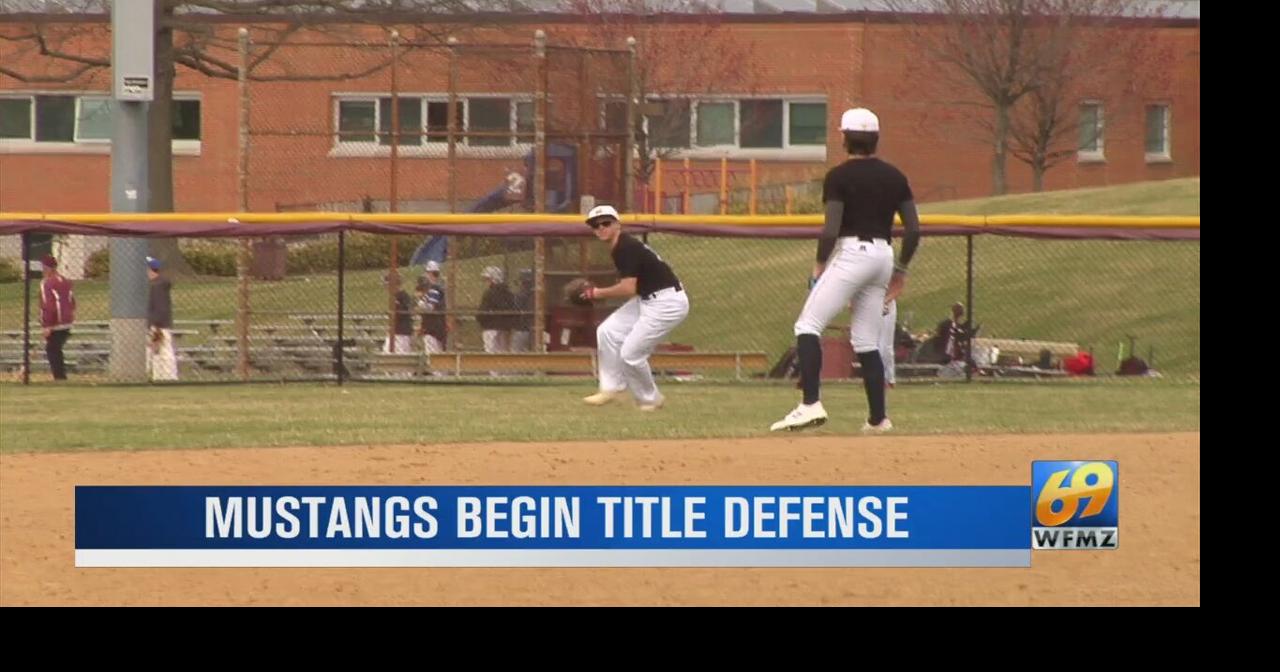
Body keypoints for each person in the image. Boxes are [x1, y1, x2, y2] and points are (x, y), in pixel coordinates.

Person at [771, 107, 921, 434]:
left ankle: (810, 404)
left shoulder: (839, 176)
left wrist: (820, 264)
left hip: (853, 253)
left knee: (807, 325)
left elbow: (831, 229)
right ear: (875, 139)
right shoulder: (895, 176)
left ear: (845, 139)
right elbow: (912, 230)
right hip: (882, 255)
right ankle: (878, 419)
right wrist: (901, 269)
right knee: (866, 341)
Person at [577, 204, 689, 411]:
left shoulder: (625, 247)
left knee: (631, 354)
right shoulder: (621, 247)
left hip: (667, 303)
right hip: (649, 299)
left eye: (606, 223)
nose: (601, 228)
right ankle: (610, 389)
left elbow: (628, 288)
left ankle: (650, 399)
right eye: (595, 225)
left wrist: (597, 293)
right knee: (608, 331)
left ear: (617, 224)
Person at [38, 254, 75, 381]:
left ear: (46, 268)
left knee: (52, 350)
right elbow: (72, 302)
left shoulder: (47, 283)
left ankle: (59, 377)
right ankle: (60, 376)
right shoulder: (66, 281)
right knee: (55, 349)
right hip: (67, 321)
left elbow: (48, 305)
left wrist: (47, 325)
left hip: (55, 322)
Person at [146, 256, 179, 381]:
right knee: (156, 353)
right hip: (156, 323)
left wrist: (156, 325)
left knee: (164, 351)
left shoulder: (158, 286)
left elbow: (161, 307)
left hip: (159, 324)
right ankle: (159, 376)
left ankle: (168, 377)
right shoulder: (154, 285)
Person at [478, 266, 515, 354]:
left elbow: (483, 311)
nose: (487, 282)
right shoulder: (508, 293)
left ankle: (491, 368)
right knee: (503, 352)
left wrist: (480, 319)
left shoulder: (489, 293)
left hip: (490, 327)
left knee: (490, 352)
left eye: (488, 279)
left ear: (494, 279)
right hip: (505, 327)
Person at [416, 261, 447, 354]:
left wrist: (420, 304)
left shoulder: (434, 289)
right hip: (435, 325)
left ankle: (436, 369)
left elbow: (430, 307)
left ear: (430, 273)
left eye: (427, 273)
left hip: (432, 326)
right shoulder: (433, 288)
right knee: (436, 353)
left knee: (432, 354)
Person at [382, 273, 414, 354]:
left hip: (401, 332)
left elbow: (403, 313)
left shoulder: (403, 296)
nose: (386, 287)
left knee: (401, 356)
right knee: (387, 354)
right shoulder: (395, 296)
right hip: (395, 331)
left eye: (387, 284)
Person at [511, 268, 535, 352]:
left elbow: (516, 309)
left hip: (522, 328)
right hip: (534, 328)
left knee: (516, 351)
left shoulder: (521, 294)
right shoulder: (536, 293)